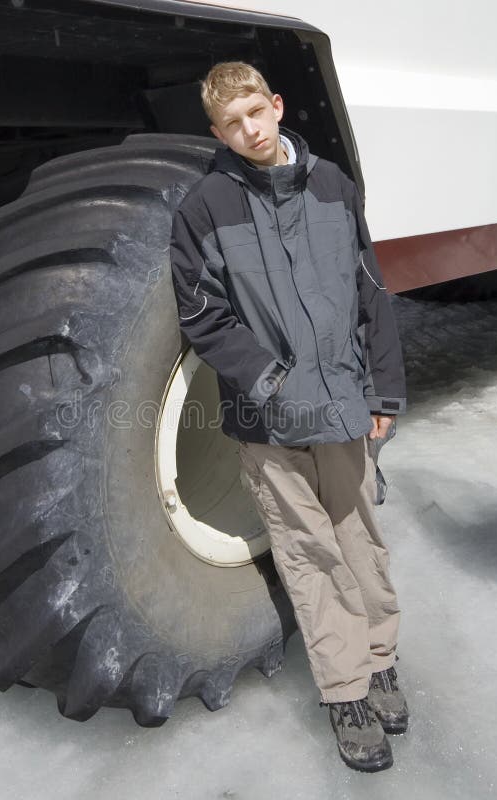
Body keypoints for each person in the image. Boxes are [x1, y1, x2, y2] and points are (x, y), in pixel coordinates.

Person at [169, 61, 408, 772]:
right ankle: (347, 696)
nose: (248, 131)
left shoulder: (333, 186)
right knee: (310, 557)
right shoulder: (204, 208)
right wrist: (269, 380)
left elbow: (373, 292)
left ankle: (383, 660)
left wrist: (384, 392)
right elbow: (201, 315)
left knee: (361, 542)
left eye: (255, 113)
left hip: (342, 409)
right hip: (270, 425)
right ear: (217, 131)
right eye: (231, 124)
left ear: (274, 105)